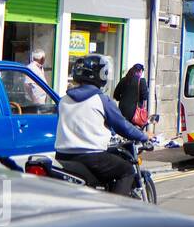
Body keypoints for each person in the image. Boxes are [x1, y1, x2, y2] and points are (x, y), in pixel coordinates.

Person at [55, 54, 150, 196]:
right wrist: (143, 136)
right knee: (127, 170)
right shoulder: (100, 99)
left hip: (62, 156)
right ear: (101, 75)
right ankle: (114, 211)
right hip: (91, 157)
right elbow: (122, 126)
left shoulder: (63, 100)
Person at [113, 62, 149, 129]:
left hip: (122, 111)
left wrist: (123, 99)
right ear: (140, 71)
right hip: (135, 113)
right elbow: (145, 96)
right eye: (141, 72)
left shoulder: (123, 80)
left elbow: (116, 95)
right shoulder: (141, 81)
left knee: (124, 131)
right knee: (135, 132)